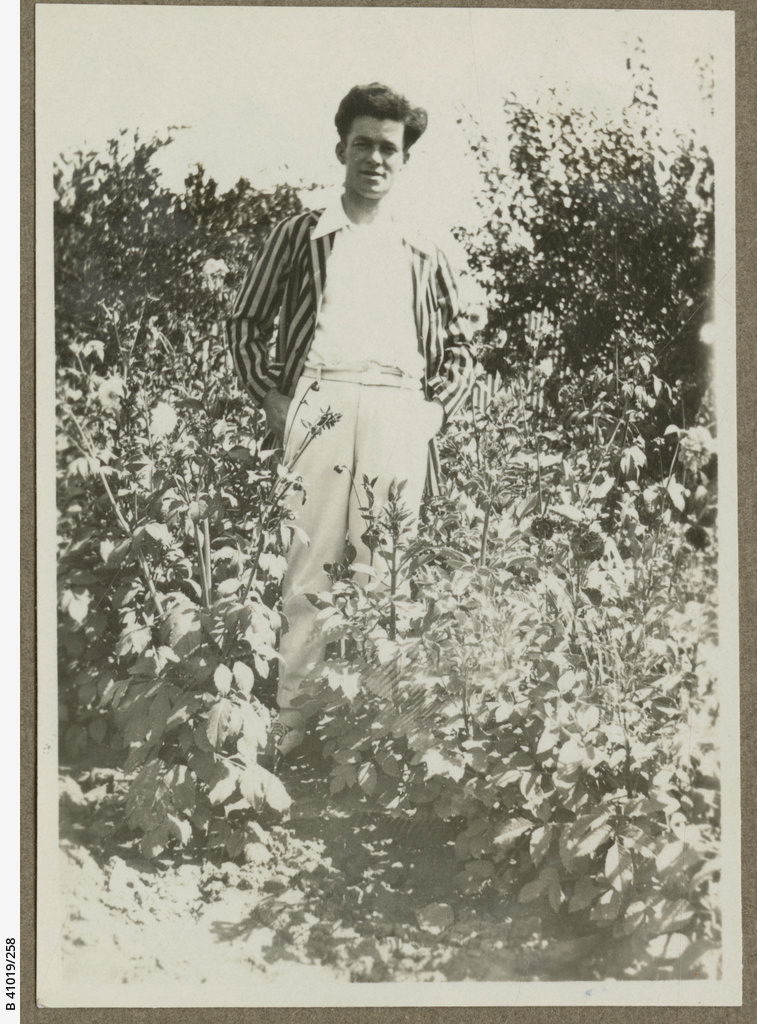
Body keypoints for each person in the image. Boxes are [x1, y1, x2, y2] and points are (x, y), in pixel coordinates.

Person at [227, 82, 478, 756]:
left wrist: (432, 413)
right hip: (321, 401)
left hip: (400, 407)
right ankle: (293, 720)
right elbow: (246, 320)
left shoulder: (424, 246)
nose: (375, 157)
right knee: (307, 561)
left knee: (385, 566)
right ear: (340, 147)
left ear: (404, 160)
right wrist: (275, 402)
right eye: (362, 143)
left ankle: (379, 732)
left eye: (388, 148)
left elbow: (464, 340)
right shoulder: (300, 233)